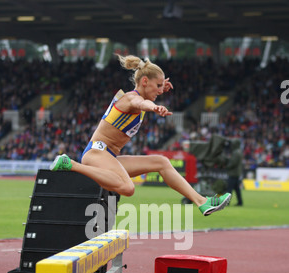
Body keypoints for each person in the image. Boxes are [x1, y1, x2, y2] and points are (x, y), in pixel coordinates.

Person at [50, 54, 231, 216]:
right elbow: (140, 103)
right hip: (96, 154)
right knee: (127, 188)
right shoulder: (131, 98)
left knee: (161, 162)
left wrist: (160, 89)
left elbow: (144, 99)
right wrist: (154, 107)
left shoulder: (138, 97)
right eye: (158, 86)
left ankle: (201, 202)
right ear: (144, 82)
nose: (160, 91)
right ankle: (70, 164)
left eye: (162, 86)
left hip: (109, 156)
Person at [226, 139, 243, 206]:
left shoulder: (236, 152)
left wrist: (227, 166)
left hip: (233, 173)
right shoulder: (239, 151)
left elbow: (233, 163)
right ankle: (240, 202)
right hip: (236, 173)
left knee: (229, 189)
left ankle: (227, 202)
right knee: (237, 190)